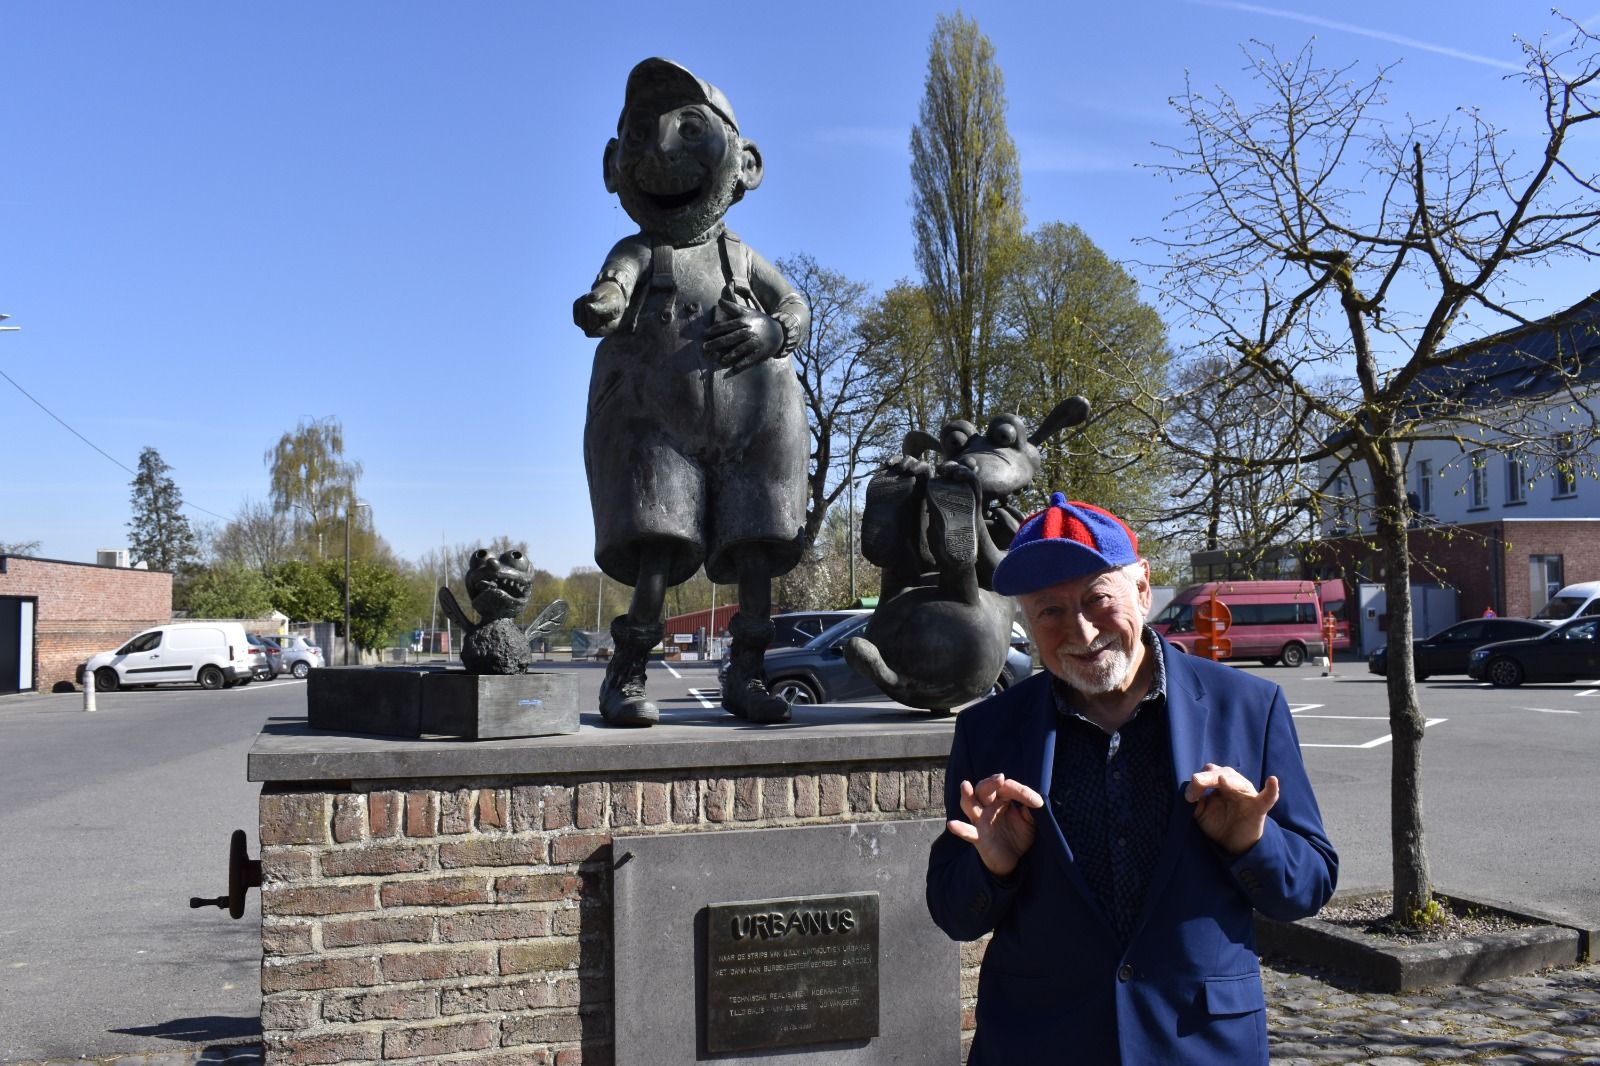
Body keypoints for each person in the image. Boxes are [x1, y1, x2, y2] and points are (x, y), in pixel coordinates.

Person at [926, 494, 1337, 1064]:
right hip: (1038, 1043)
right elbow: (952, 911)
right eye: (1050, 611)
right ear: (1027, 619)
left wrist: (1253, 842)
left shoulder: (1249, 707)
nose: (1081, 629)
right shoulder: (987, 731)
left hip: (1199, 1045)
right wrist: (990, 867)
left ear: (1142, 589)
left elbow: (1309, 884)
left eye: (1098, 599)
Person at [573, 58, 810, 727]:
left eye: (690, 129)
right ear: (614, 164)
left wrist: (771, 330)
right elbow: (614, 288)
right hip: (657, 425)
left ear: (747, 165)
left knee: (755, 551)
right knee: (656, 548)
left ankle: (747, 673)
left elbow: (794, 305)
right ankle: (627, 672)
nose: (662, 150)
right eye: (642, 135)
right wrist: (605, 305)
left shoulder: (741, 256)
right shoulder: (640, 250)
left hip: (755, 425)